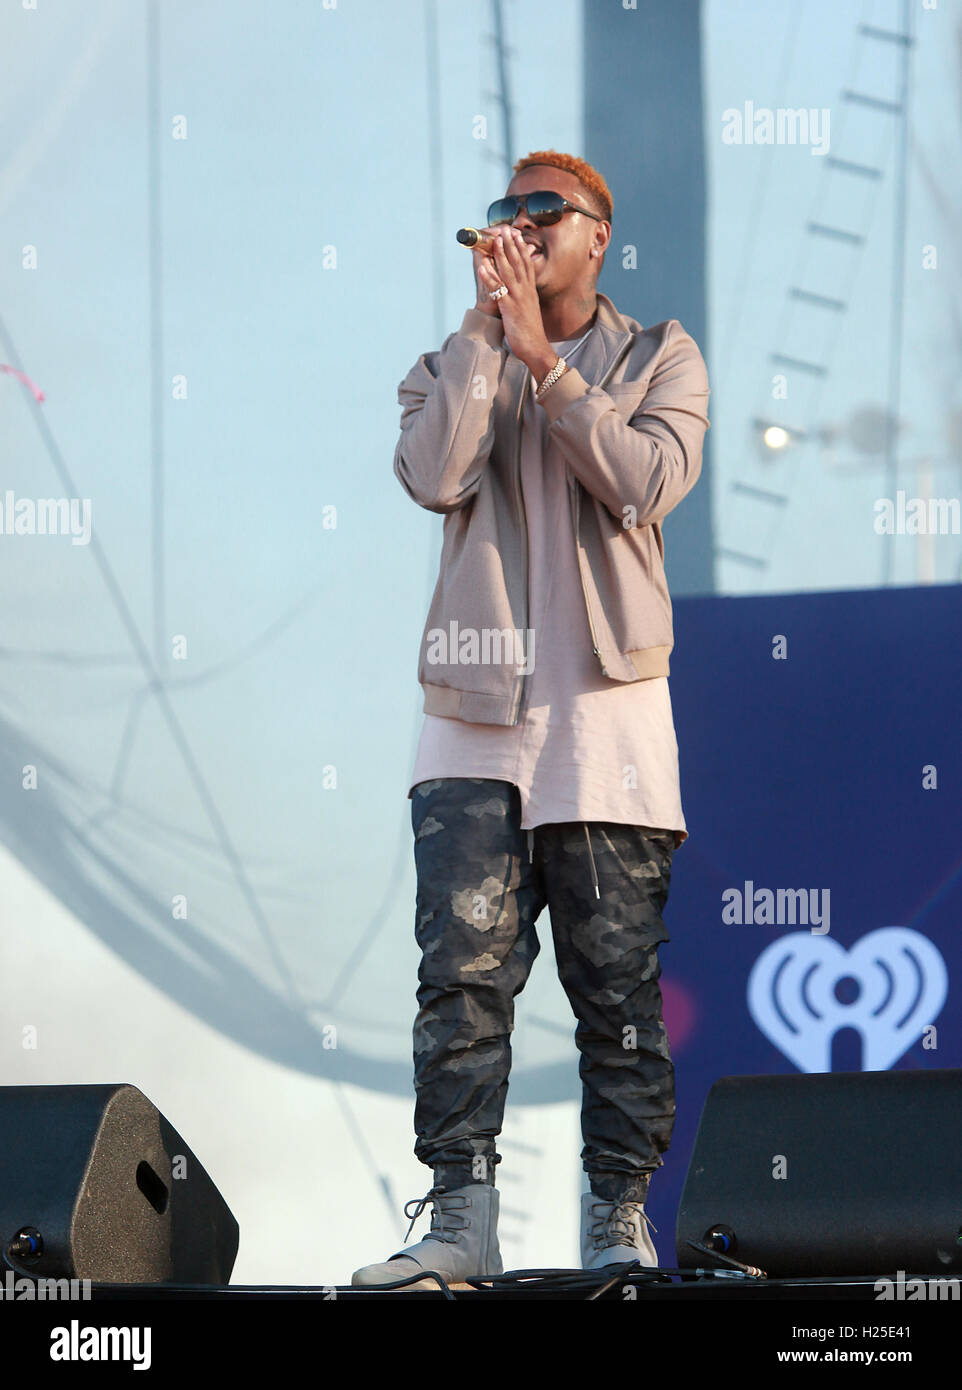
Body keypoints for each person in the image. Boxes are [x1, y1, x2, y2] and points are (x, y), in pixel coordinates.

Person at [353, 149, 710, 1287]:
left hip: (606, 719)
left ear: (594, 234)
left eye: (539, 211)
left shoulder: (659, 355)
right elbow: (430, 474)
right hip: (472, 716)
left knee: (612, 986)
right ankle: (458, 1218)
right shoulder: (446, 363)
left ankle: (617, 1222)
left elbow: (643, 480)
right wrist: (484, 343)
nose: (514, 226)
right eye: (502, 211)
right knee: (459, 978)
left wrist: (547, 365)